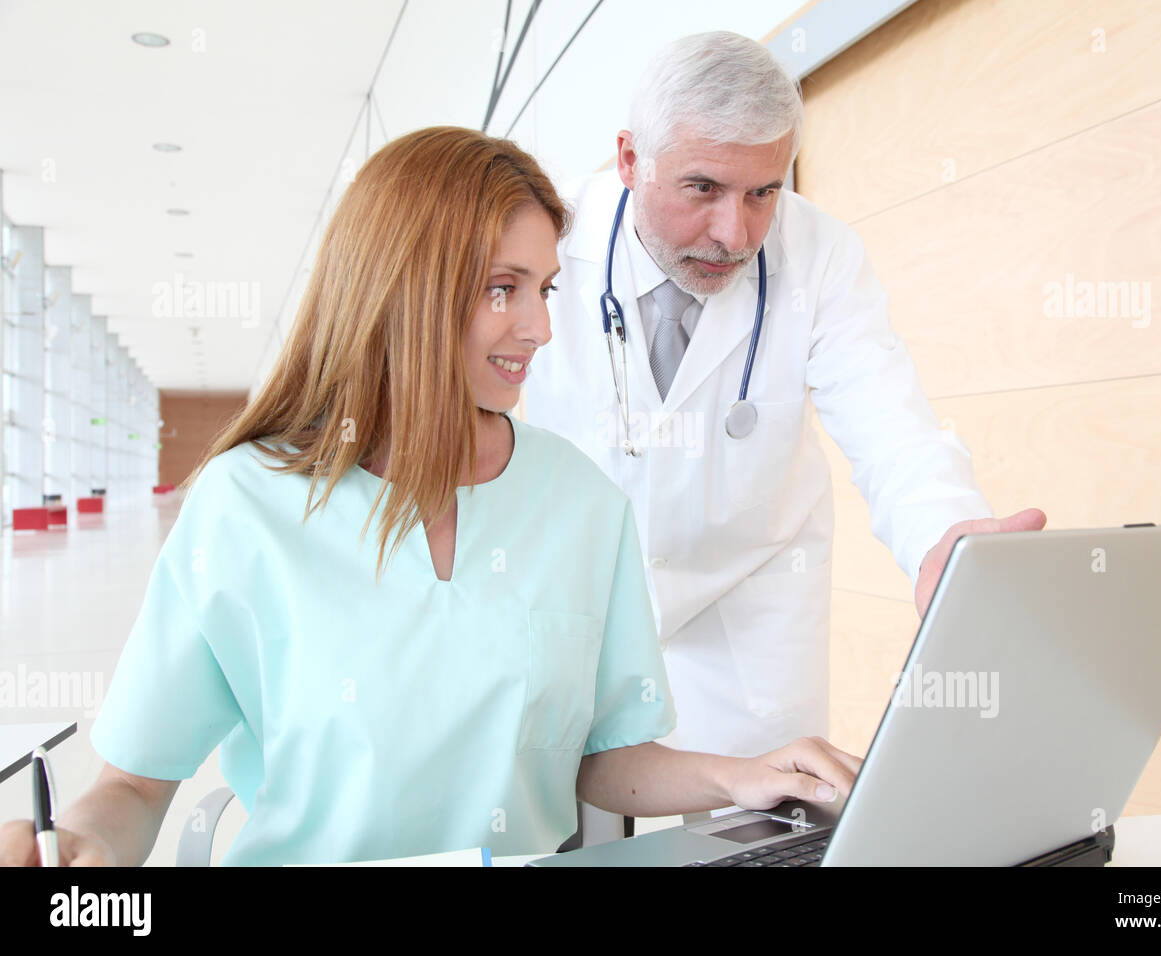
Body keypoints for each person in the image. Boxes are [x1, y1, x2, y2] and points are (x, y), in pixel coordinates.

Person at [0, 127, 859, 867]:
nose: (539, 327)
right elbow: (133, 784)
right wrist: (80, 847)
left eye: (545, 288)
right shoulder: (244, 507)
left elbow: (604, 755)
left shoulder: (582, 505)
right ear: (402, 288)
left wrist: (737, 775)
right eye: (501, 288)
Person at [525, 32, 1046, 759]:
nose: (734, 233)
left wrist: (942, 534)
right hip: (568, 577)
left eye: (763, 192)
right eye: (702, 188)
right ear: (630, 160)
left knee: (769, 810)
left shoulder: (820, 254)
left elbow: (889, 421)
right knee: (558, 797)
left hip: (751, 585)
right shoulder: (547, 240)